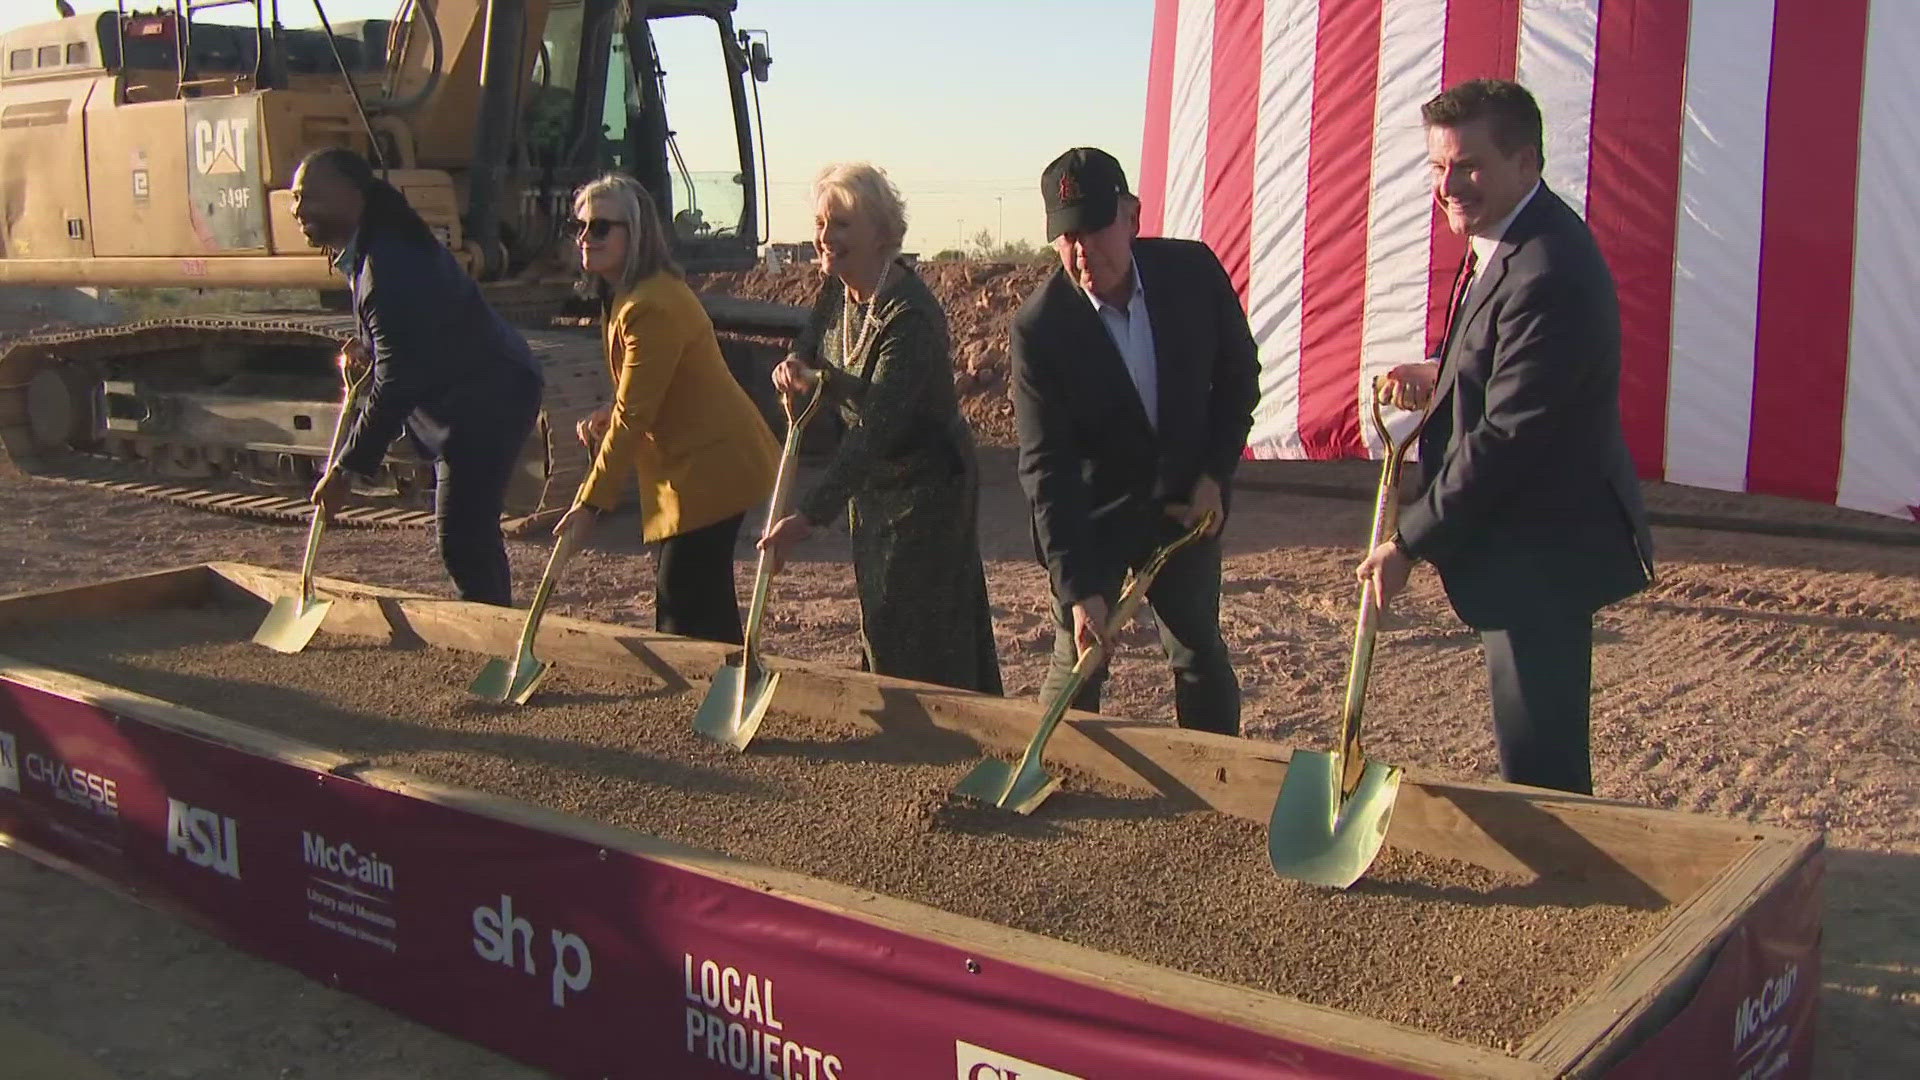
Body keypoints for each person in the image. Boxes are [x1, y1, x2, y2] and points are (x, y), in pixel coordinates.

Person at [1361, 79, 1655, 795]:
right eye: (1438, 167)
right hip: (1524, 541)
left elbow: (1509, 436)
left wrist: (1409, 542)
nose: (1447, 187)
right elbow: (1505, 363)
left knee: (1542, 770)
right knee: (1534, 755)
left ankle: (1561, 864)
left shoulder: (1547, 269)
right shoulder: (1508, 239)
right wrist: (1443, 373)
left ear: (1526, 162)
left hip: (1542, 550)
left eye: (1468, 166)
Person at [1010, 147, 1259, 736]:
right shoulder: (1040, 328)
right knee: (1079, 661)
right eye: (1066, 236)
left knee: (1197, 651)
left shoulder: (1192, 274)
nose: (1082, 250)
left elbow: (1238, 378)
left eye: (1095, 229)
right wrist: (1078, 590)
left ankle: (1214, 773)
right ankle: (1055, 764)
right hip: (1092, 517)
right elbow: (1046, 466)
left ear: (1132, 217)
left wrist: (1213, 475)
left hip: (1184, 505)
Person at [757, 163, 1001, 694]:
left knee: (924, 616)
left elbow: (876, 428)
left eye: (842, 224)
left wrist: (808, 516)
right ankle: (899, 710)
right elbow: (809, 343)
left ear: (881, 233)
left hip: (928, 488)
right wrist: (795, 366)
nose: (826, 237)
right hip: (874, 488)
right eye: (821, 223)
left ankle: (951, 718)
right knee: (881, 608)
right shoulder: (838, 287)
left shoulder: (909, 317)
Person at [293, 147, 543, 607]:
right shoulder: (373, 249)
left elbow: (398, 378)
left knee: (464, 537)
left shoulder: (388, 261)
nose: (297, 210)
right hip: (469, 394)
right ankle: (493, 625)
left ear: (350, 194)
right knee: (467, 535)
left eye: (308, 197)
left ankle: (493, 633)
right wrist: (370, 349)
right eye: (295, 199)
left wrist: (346, 469)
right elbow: (408, 341)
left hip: (486, 399)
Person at [552, 174, 779, 644]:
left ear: (635, 234)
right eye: (580, 227)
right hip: (694, 468)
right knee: (695, 596)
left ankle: (714, 680)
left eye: (600, 227)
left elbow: (633, 415)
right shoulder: (628, 296)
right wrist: (609, 410)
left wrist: (589, 505)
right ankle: (721, 678)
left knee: (685, 597)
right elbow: (647, 389)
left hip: (712, 467)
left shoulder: (650, 305)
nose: (586, 237)